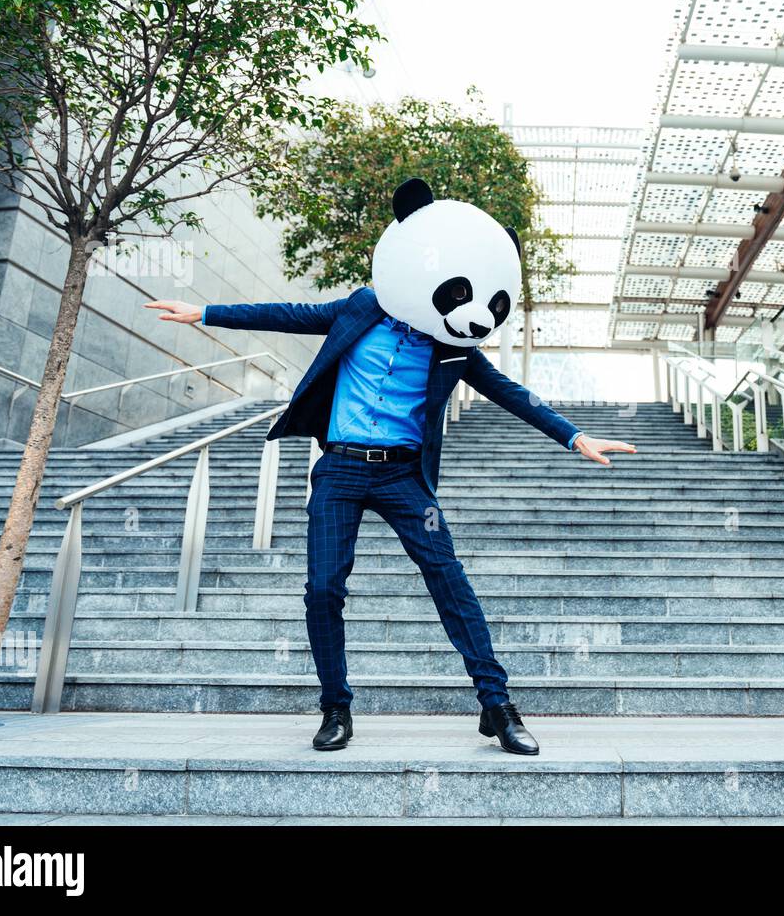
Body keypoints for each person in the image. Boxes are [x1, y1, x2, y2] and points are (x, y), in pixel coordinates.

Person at [145, 179, 635, 754]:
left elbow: (510, 392)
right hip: (342, 471)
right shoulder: (364, 307)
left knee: (450, 581)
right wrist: (204, 311)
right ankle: (336, 709)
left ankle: (497, 705)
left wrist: (574, 436)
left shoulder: (453, 344)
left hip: (403, 477)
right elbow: (291, 313)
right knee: (323, 589)